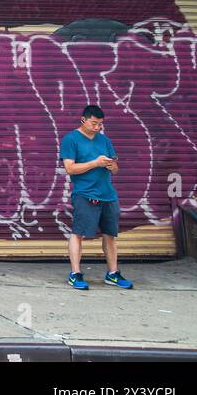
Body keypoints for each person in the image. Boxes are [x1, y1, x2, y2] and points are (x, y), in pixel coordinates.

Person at [60, 105, 133, 290]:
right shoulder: (71, 139)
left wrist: (111, 166)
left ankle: (113, 273)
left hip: (108, 194)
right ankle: (75, 274)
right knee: (78, 234)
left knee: (110, 235)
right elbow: (70, 168)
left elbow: (115, 169)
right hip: (85, 194)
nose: (97, 127)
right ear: (83, 120)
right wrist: (95, 163)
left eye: (100, 124)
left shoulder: (105, 141)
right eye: (94, 123)